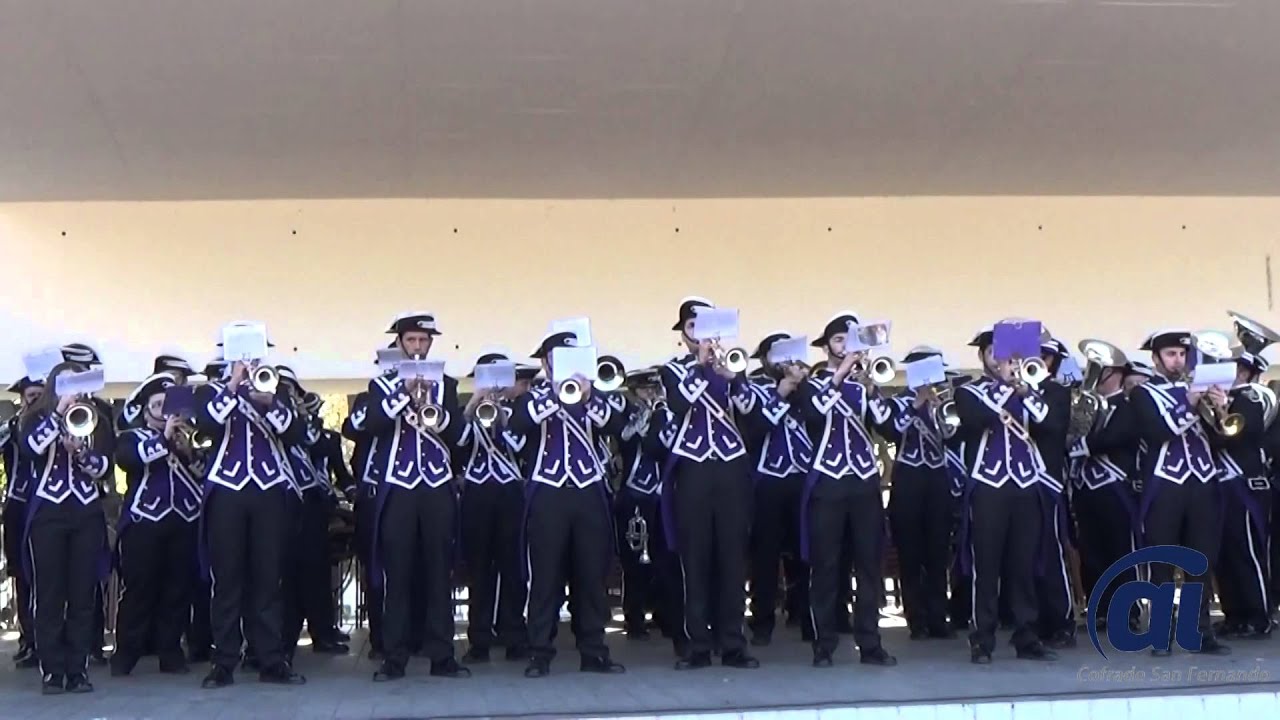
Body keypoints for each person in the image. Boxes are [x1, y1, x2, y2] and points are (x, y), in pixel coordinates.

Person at [508, 329, 629, 678]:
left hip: (588, 489)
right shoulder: (535, 396)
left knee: (591, 575)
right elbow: (519, 425)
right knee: (545, 577)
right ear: (547, 362)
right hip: (548, 491)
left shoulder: (595, 394)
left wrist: (589, 397)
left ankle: (594, 651)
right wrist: (559, 394)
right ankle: (540, 653)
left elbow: (619, 428)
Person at [195, 335, 307, 688]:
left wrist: (270, 401)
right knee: (226, 580)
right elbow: (208, 426)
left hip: (269, 491)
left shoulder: (277, 390)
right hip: (227, 491)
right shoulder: (210, 392)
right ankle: (224, 662)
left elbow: (296, 434)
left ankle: (270, 659)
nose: (249, 362)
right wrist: (233, 384)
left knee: (267, 578)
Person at [367, 312, 470, 681]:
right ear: (399, 343)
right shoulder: (381, 384)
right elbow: (374, 425)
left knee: (439, 573)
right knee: (399, 574)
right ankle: (394, 658)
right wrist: (404, 394)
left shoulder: (447, 383)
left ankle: (443, 656)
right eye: (411, 341)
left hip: (437, 485)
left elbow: (460, 435)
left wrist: (435, 410)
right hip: (399, 485)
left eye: (423, 341)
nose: (417, 347)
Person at [793, 313, 898, 667]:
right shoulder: (812, 383)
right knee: (826, 566)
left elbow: (890, 426)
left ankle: (870, 643)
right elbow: (813, 414)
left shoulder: (862, 386)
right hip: (828, 482)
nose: (846, 347)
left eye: (851, 341)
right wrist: (840, 375)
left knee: (869, 565)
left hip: (864, 482)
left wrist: (872, 388)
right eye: (839, 341)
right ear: (827, 347)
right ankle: (823, 644)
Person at [661, 297, 760, 671]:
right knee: (695, 560)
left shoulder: (732, 365)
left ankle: (733, 644)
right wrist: (701, 368)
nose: (699, 336)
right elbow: (677, 404)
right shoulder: (674, 370)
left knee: (732, 560)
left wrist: (733, 376)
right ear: (684, 334)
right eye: (692, 329)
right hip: (694, 471)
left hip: (731, 469)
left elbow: (752, 410)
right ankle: (697, 647)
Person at [955, 321, 1057, 664]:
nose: (1008, 363)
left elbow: (1048, 421)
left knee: (1023, 564)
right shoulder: (969, 392)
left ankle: (1027, 636)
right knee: (986, 565)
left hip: (1026, 485)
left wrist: (1025, 388)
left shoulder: (1029, 390)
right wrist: (1007, 386)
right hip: (989, 487)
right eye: (997, 356)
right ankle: (982, 639)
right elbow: (975, 419)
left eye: (1013, 357)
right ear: (985, 358)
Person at [1129, 328, 1230, 656]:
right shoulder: (1144, 394)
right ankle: (1161, 635)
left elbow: (1224, 439)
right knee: (1162, 562)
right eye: (1171, 354)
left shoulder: (1200, 389)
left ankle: (1199, 632)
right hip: (1165, 484)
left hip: (1202, 483)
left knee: (1201, 561)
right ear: (1156, 358)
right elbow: (1158, 433)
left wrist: (1221, 409)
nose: (1178, 360)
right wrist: (1188, 403)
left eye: (1183, 354)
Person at [19, 361, 113, 694]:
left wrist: (83, 453)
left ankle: (78, 669)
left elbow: (104, 468)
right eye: (67, 385)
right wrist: (59, 414)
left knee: (82, 594)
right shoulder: (34, 418)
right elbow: (31, 449)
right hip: (47, 512)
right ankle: (52, 671)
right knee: (49, 594)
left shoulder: (97, 419)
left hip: (85, 511)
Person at [111, 373, 202, 676]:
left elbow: (202, 474)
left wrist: (189, 450)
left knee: (177, 590)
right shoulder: (131, 437)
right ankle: (127, 653)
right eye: (158, 405)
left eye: (169, 406)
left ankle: (170, 652)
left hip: (184, 522)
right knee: (140, 590)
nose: (165, 412)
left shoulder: (186, 437)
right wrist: (165, 439)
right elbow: (131, 461)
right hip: (144, 525)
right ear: (146, 410)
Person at [459, 353, 535, 663]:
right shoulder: (469, 410)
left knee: (513, 567)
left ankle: (513, 635)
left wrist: (503, 416)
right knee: (479, 568)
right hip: (477, 491)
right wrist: (474, 404)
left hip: (510, 491)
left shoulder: (521, 409)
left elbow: (519, 446)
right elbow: (458, 442)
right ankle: (479, 639)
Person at [741, 333, 813, 646]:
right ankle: (762, 623)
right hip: (767, 481)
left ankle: (808, 617)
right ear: (766, 361)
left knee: (806, 553)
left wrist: (802, 387)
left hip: (802, 479)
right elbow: (753, 432)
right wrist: (781, 393)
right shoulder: (755, 390)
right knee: (765, 556)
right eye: (777, 356)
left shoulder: (809, 389)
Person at [886, 346, 957, 641]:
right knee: (910, 552)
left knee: (938, 552)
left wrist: (939, 405)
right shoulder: (898, 402)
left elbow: (953, 433)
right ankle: (917, 619)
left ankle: (939, 617)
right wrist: (917, 403)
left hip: (937, 478)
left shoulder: (945, 402)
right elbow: (893, 430)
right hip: (908, 478)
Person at [613, 367, 680, 643]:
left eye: (654, 389)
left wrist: (661, 412)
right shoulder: (629, 416)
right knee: (634, 559)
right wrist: (647, 415)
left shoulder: (668, 414)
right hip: (635, 493)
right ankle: (634, 617)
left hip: (663, 493)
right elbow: (627, 439)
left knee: (666, 558)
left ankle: (666, 616)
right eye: (644, 389)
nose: (650, 394)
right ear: (632, 392)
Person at [1213, 350, 1272, 639]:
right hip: (1220, 486)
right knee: (1224, 554)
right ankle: (1234, 615)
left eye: (1234, 368)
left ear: (1246, 373)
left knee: (1247, 552)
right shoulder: (1215, 399)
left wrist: (1223, 409)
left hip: (1244, 485)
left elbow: (1242, 433)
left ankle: (1258, 616)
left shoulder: (1249, 398)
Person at [2, 375, 45, 669]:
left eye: (41, 395)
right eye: (31, 395)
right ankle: (29, 639)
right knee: (22, 574)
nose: (35, 400)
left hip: (47, 505)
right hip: (19, 505)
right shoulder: (13, 426)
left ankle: (52, 640)